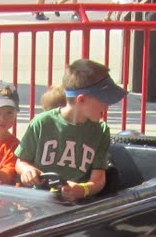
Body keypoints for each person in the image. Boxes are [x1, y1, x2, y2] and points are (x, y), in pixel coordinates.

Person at [16, 59, 125, 202]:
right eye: (103, 101)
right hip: (39, 201)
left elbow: (98, 180)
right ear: (81, 100)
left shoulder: (101, 131)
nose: (106, 107)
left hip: (77, 208)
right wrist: (27, 171)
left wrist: (82, 190)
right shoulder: (42, 123)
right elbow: (20, 162)